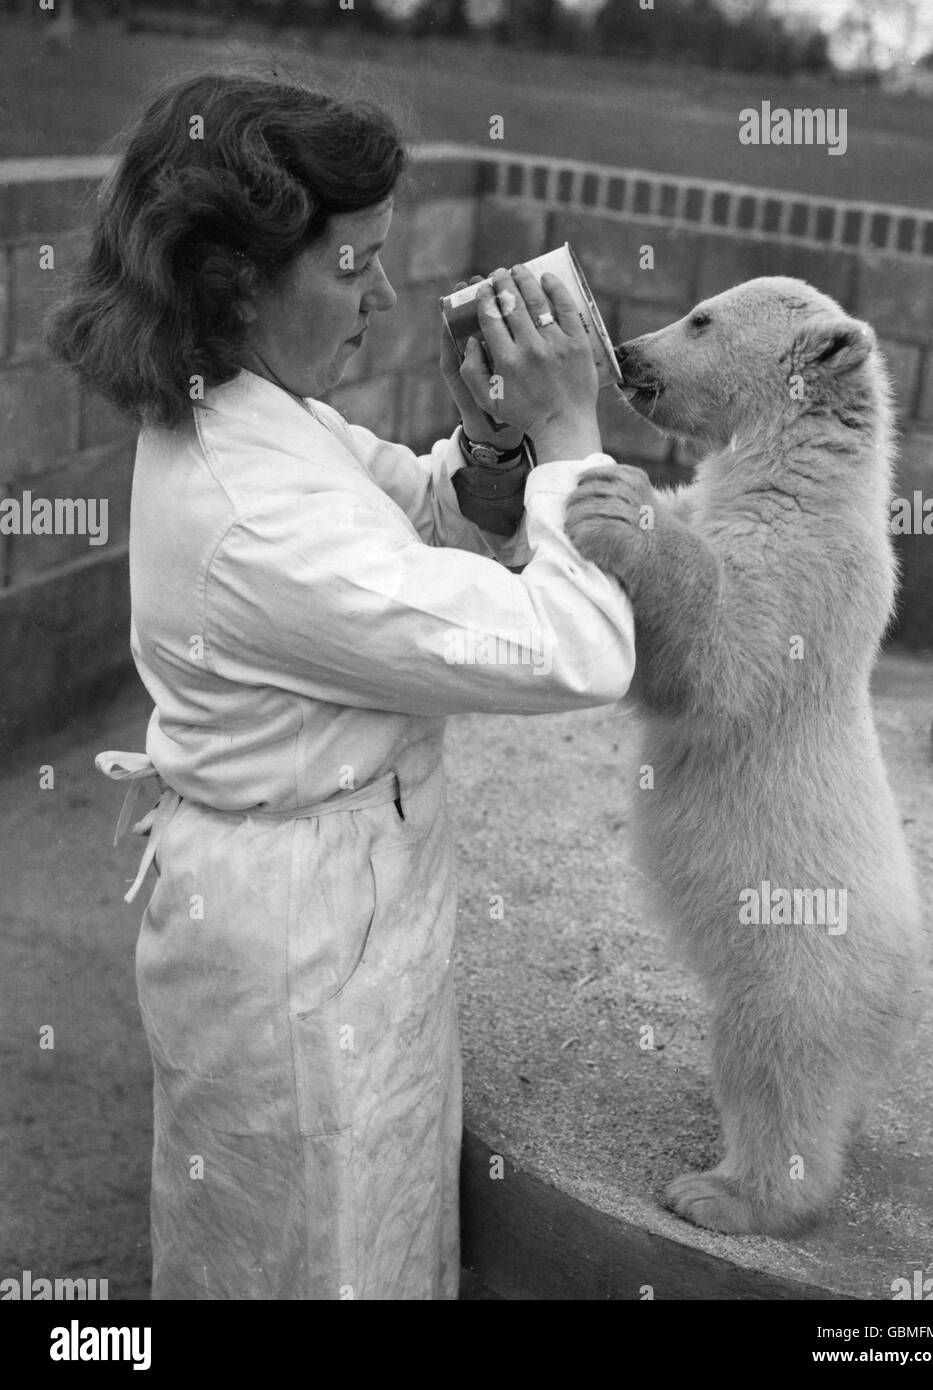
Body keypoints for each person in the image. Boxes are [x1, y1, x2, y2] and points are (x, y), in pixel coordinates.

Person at [48, 71, 635, 1300]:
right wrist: (572, 434)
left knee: (350, 1234)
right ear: (235, 277)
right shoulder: (256, 513)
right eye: (353, 264)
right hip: (300, 951)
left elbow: (409, 508)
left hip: (326, 897)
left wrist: (484, 445)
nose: (384, 292)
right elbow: (575, 646)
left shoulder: (254, 413)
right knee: (317, 1252)